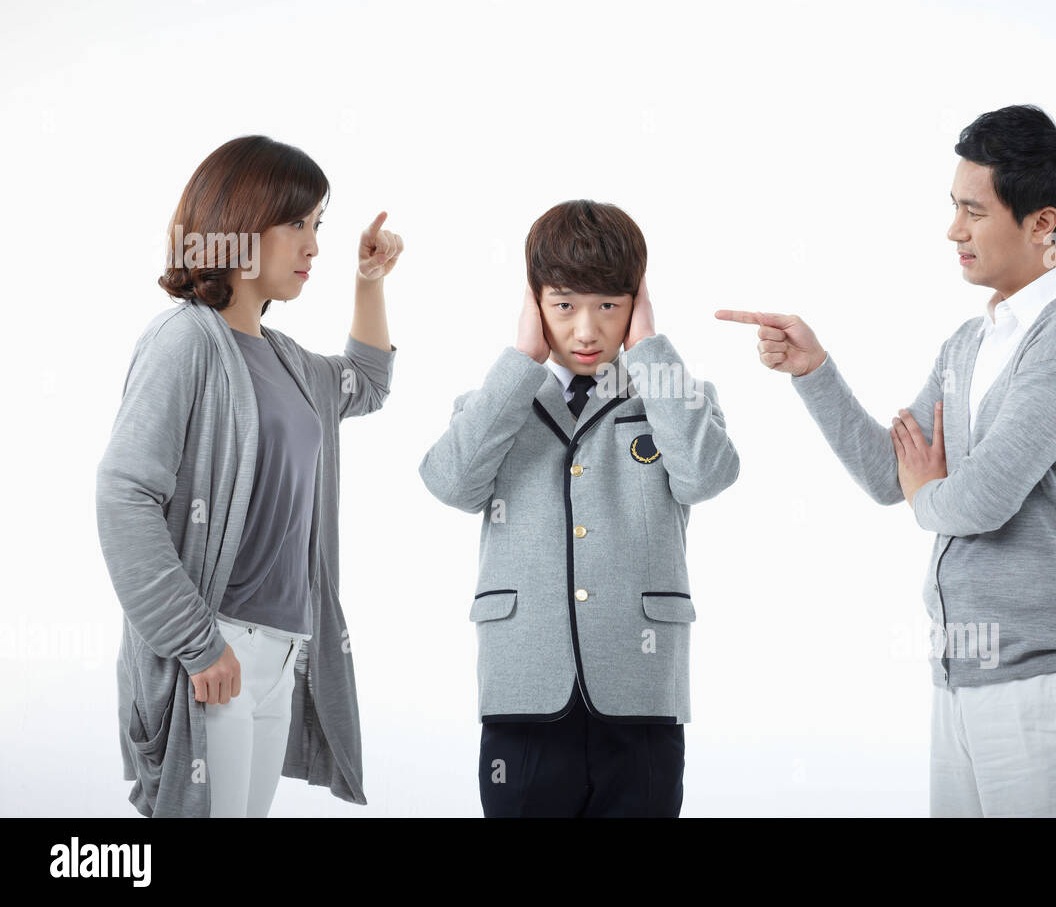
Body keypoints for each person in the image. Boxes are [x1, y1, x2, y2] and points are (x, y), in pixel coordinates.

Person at [718, 105, 1056, 817]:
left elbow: (977, 501)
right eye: (953, 208)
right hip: (961, 680)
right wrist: (813, 370)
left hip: (1050, 691)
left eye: (972, 212)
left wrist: (929, 494)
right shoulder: (969, 345)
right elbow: (896, 475)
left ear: (1042, 223)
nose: (953, 230)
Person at [95, 135, 402, 816]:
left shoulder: (289, 362)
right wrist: (201, 646)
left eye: (317, 225)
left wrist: (369, 282)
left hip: (282, 655)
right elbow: (124, 497)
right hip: (216, 651)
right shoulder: (184, 342)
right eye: (297, 223)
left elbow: (369, 382)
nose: (313, 246)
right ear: (239, 225)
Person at [418, 199, 740, 817]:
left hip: (641, 689)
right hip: (523, 686)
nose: (587, 330)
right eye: (564, 305)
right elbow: (451, 484)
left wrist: (650, 349)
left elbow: (705, 475)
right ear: (534, 303)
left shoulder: (676, 394)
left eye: (610, 307)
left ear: (636, 305)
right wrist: (520, 361)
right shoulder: (494, 399)